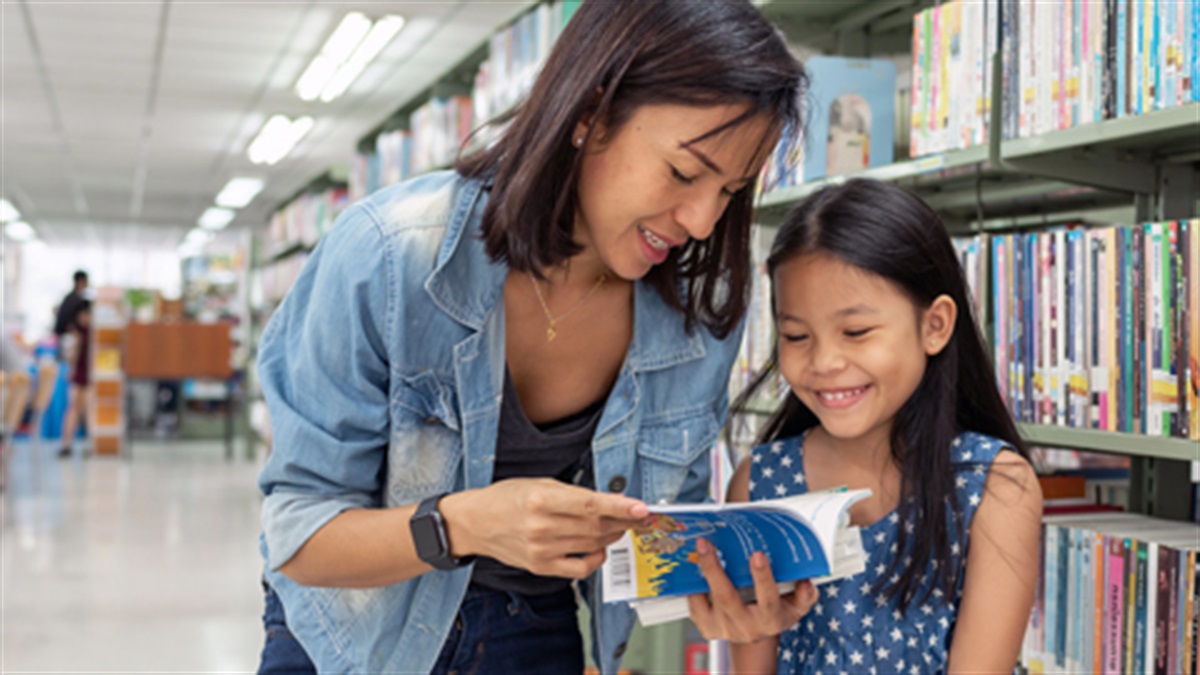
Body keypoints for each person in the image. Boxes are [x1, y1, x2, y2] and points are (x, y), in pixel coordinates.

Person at [254, 1, 807, 673]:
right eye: (684, 173)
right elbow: (299, 538)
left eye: (731, 190)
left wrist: (716, 595)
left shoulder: (699, 309)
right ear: (589, 115)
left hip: (531, 631)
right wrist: (467, 522)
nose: (699, 220)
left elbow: (655, 533)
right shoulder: (388, 256)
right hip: (351, 630)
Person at [687, 179, 1043, 673]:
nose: (825, 361)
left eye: (856, 332)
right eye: (796, 335)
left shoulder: (995, 487)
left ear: (935, 326)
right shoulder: (761, 484)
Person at [59, 300, 90, 459]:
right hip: (79, 375)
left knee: (83, 411)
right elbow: (73, 355)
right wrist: (71, 369)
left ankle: (78, 444)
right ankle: (67, 444)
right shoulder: (78, 333)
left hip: (86, 375)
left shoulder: (88, 332)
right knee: (75, 409)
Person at [53, 270, 88, 360]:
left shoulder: (70, 297)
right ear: (80, 281)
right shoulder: (75, 299)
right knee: (66, 362)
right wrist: (75, 333)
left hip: (63, 336)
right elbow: (68, 320)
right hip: (67, 337)